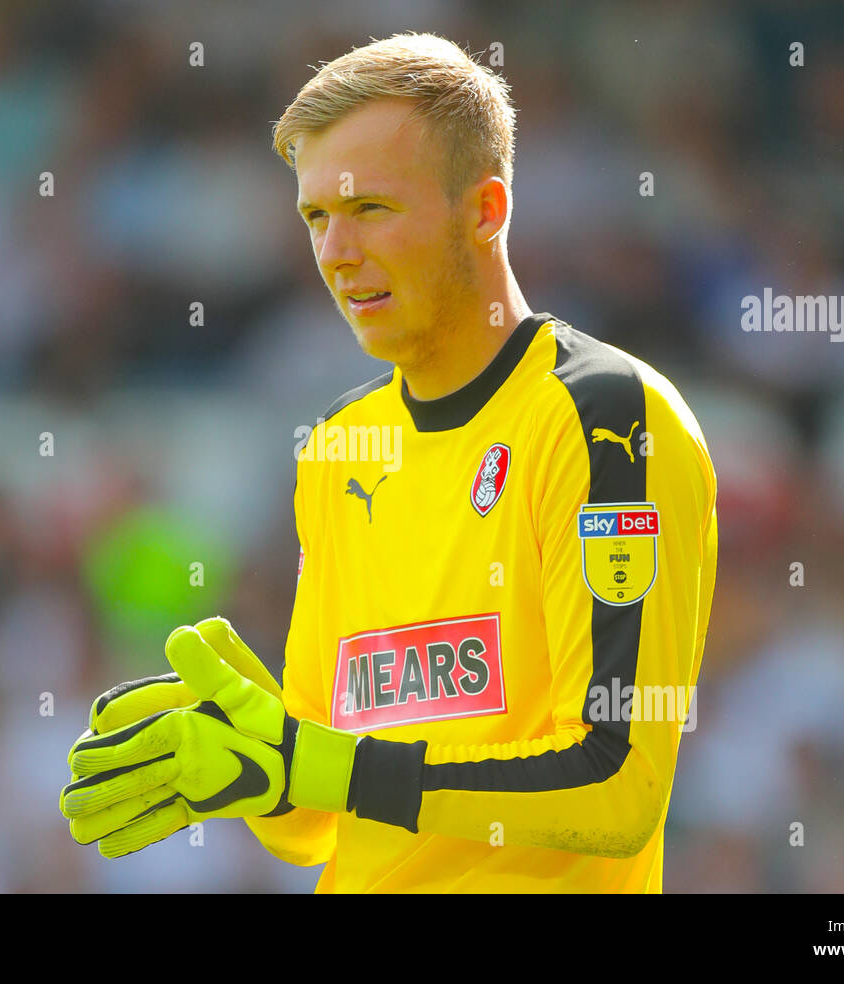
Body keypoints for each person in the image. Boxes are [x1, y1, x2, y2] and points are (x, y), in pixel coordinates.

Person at [60, 31, 718, 893]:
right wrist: (258, 763)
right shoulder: (338, 448)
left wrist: (322, 763)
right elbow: (313, 822)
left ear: (485, 210)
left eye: (369, 208)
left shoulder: (602, 419)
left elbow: (614, 788)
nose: (335, 253)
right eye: (315, 218)